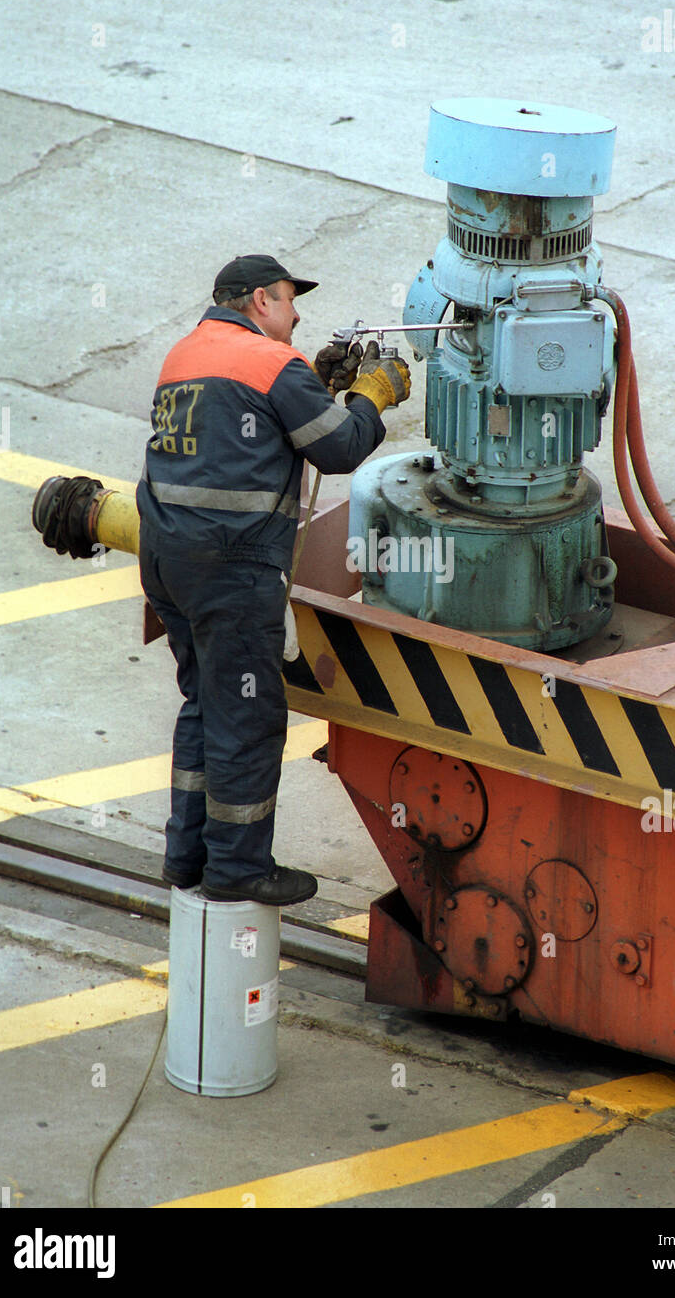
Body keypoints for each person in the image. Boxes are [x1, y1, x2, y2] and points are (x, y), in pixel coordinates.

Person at [136, 254, 410, 905]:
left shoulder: (186, 355)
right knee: (247, 717)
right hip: (229, 570)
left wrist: (311, 380)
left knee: (204, 704)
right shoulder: (269, 365)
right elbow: (338, 448)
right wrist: (371, 394)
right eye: (289, 303)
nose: (296, 315)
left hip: (168, 563)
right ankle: (237, 869)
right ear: (260, 300)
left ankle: (188, 854)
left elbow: (239, 429)